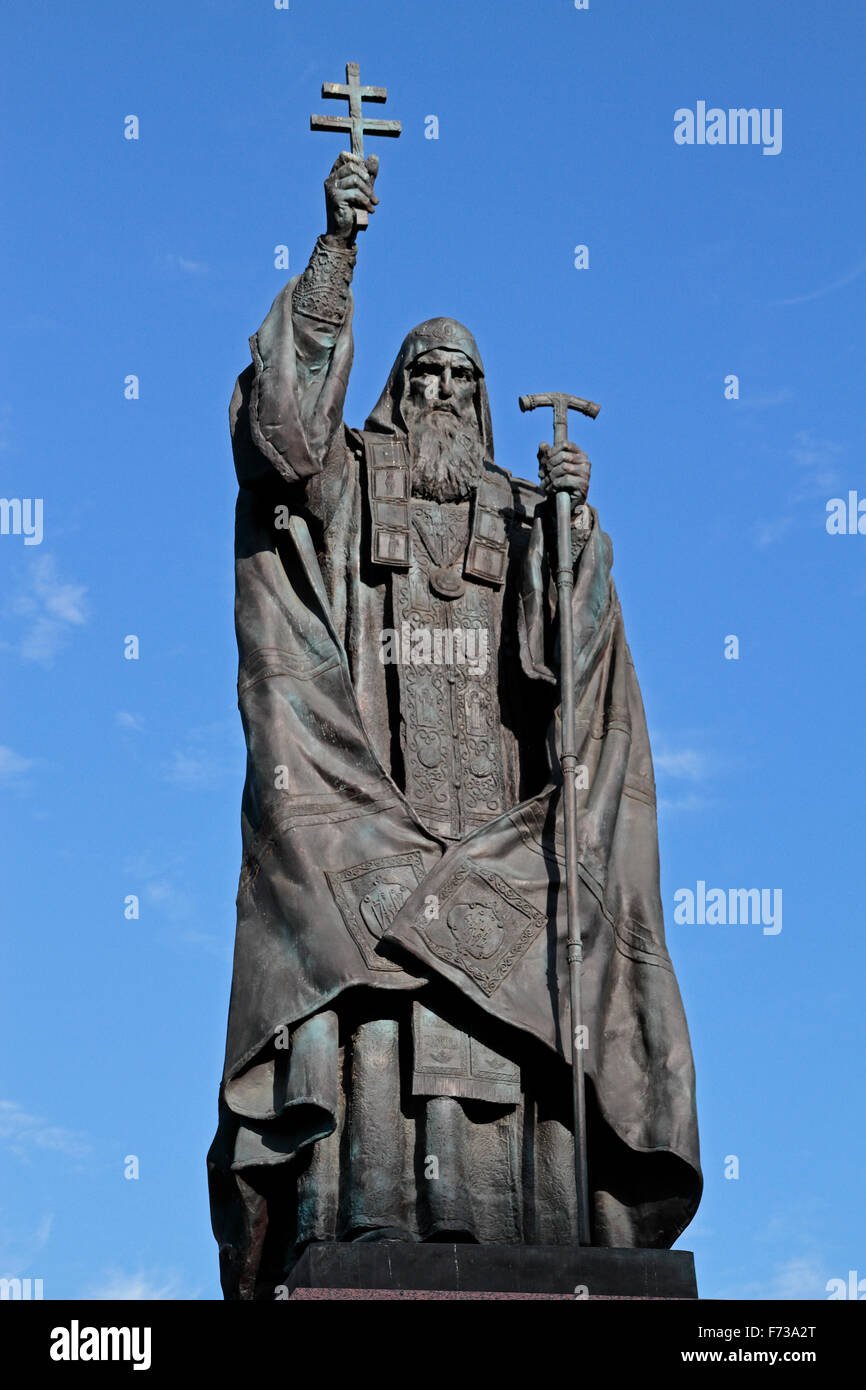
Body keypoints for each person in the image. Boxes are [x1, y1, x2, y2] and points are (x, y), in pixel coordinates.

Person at [208, 152, 701, 1300]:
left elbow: (567, 665)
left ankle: (536, 1218)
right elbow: (280, 438)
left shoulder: (516, 510)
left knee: (516, 1014)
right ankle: (369, 1211)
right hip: (372, 809)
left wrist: (574, 537)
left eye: (458, 383)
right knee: (381, 990)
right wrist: (337, 249)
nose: (438, 398)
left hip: (495, 820)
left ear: (482, 403)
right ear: (396, 391)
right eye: (421, 378)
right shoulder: (351, 478)